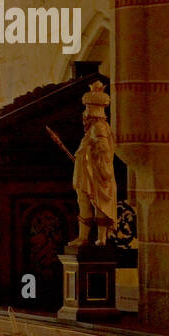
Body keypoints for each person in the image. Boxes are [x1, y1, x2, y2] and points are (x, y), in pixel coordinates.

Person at [68, 81, 117, 247]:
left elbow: (103, 149)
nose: (84, 115)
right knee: (84, 202)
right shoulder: (92, 128)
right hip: (86, 171)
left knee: (98, 204)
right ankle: (83, 237)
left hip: (96, 173)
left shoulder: (98, 127)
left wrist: (90, 152)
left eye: (86, 111)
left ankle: (100, 238)